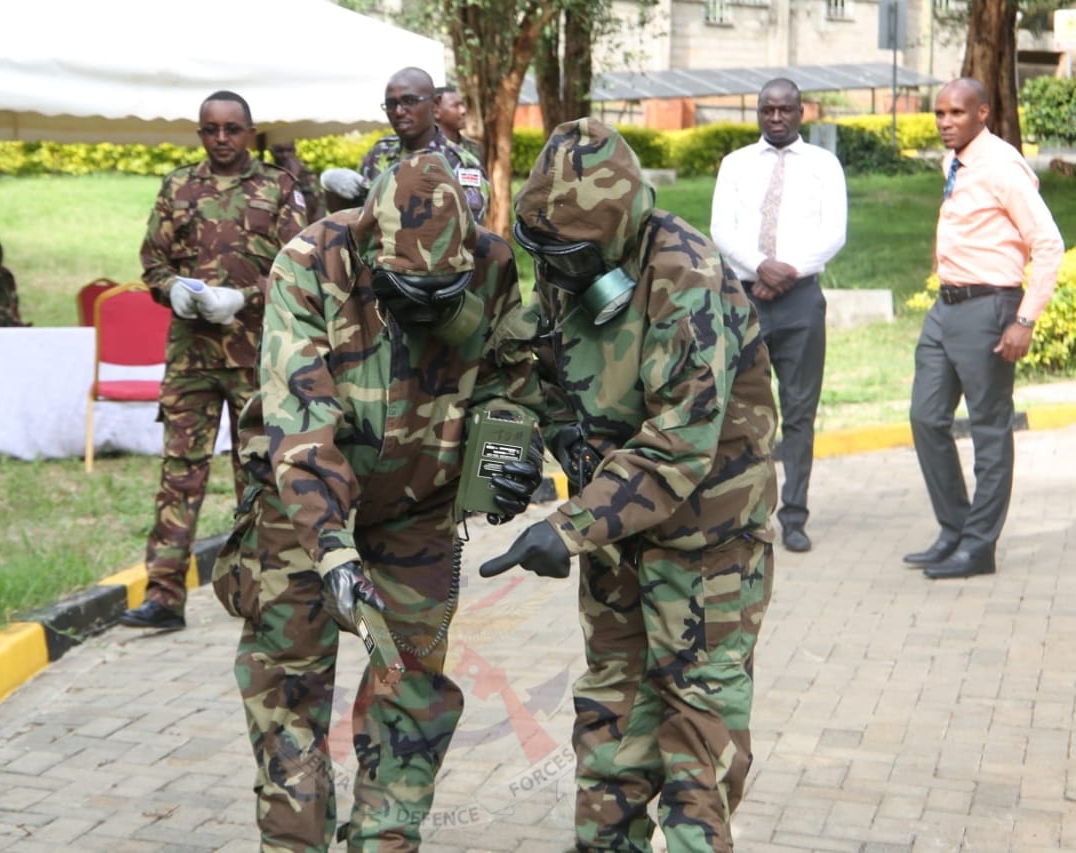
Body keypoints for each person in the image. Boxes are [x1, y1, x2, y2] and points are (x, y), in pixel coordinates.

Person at [215, 154, 545, 850]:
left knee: (412, 686)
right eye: (407, 291)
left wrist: (507, 454)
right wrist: (332, 551)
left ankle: (386, 839)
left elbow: (508, 376)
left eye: (442, 293)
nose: (426, 309)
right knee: (287, 689)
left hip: (418, 503)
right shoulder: (309, 262)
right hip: (299, 506)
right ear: (373, 250)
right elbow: (300, 427)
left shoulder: (490, 262)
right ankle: (294, 840)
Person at [481, 118, 778, 852]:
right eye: (540, 252)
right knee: (611, 729)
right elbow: (530, 367)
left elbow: (678, 446)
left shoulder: (687, 275)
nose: (552, 270)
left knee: (694, 747)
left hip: (703, 551)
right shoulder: (564, 265)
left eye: (569, 255)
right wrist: (513, 438)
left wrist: (568, 526)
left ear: (617, 231)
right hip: (618, 540)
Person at [118, 90, 307, 630]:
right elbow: (153, 260)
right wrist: (170, 289)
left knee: (256, 475)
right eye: (210, 129)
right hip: (191, 358)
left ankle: (257, 592)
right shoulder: (179, 186)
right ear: (199, 133)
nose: (221, 139)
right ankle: (164, 595)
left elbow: (299, 269)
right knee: (180, 475)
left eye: (232, 129)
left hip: (253, 356)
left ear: (250, 132)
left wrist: (245, 299)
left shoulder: (278, 187)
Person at [905, 77, 1065, 580]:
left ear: (983, 114)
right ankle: (954, 529)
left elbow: (1049, 244)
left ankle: (979, 547)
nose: (946, 122)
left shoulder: (1003, 166)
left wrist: (1024, 319)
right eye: (939, 114)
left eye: (956, 113)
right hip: (946, 306)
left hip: (990, 309)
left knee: (989, 430)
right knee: (926, 417)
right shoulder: (952, 161)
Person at [710, 77, 847, 553]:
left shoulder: (824, 166)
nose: (776, 118)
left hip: (801, 301)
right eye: (767, 110)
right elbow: (721, 229)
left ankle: (794, 515)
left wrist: (786, 272)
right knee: (741, 409)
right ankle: (745, 511)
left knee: (799, 412)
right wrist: (759, 268)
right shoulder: (735, 164)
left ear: (801, 112)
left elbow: (834, 232)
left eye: (785, 110)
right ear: (758, 112)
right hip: (744, 299)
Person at [358, 66, 488, 222]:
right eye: (391, 104)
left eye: (410, 101)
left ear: (435, 103)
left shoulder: (462, 164)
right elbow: (357, 216)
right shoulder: (380, 153)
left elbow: (467, 228)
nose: (399, 111)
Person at [270, 139, 323, 222]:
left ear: (295, 151)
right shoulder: (266, 173)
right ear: (272, 152)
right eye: (280, 151)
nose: (285, 155)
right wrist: (293, 175)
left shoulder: (307, 173)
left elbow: (320, 205)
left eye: (289, 150)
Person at [434, 84, 482, 161]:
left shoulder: (474, 149)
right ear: (436, 111)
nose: (463, 110)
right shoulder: (425, 150)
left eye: (462, 104)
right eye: (455, 106)